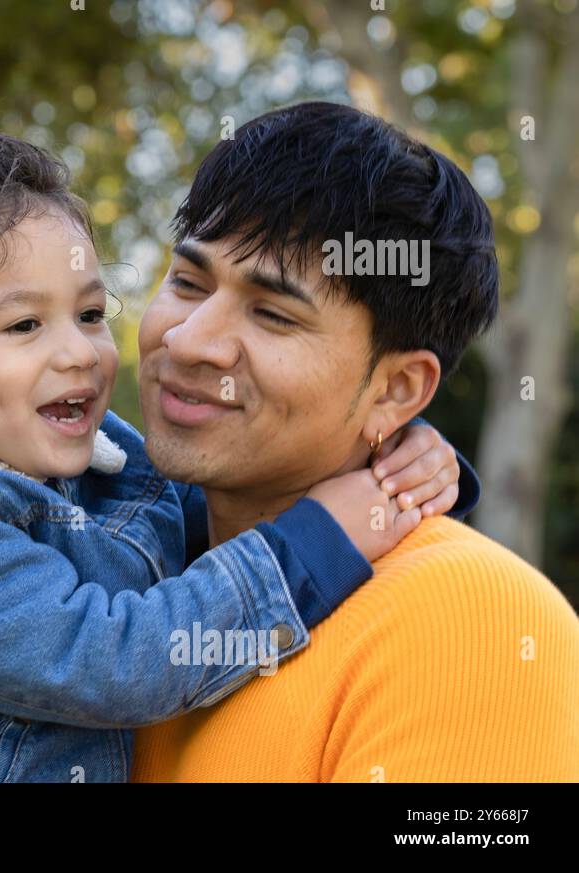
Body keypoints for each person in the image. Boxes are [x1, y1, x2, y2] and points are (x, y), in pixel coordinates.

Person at [0, 132, 465, 782]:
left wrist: (395, 459)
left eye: (89, 314)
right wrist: (321, 540)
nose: (79, 351)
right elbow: (118, 661)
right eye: (24, 324)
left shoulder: (92, 464)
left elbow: (220, 521)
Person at [131, 102, 579, 781]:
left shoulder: (472, 619)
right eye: (188, 282)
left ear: (397, 391)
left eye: (274, 314)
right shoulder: (110, 567)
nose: (187, 338)